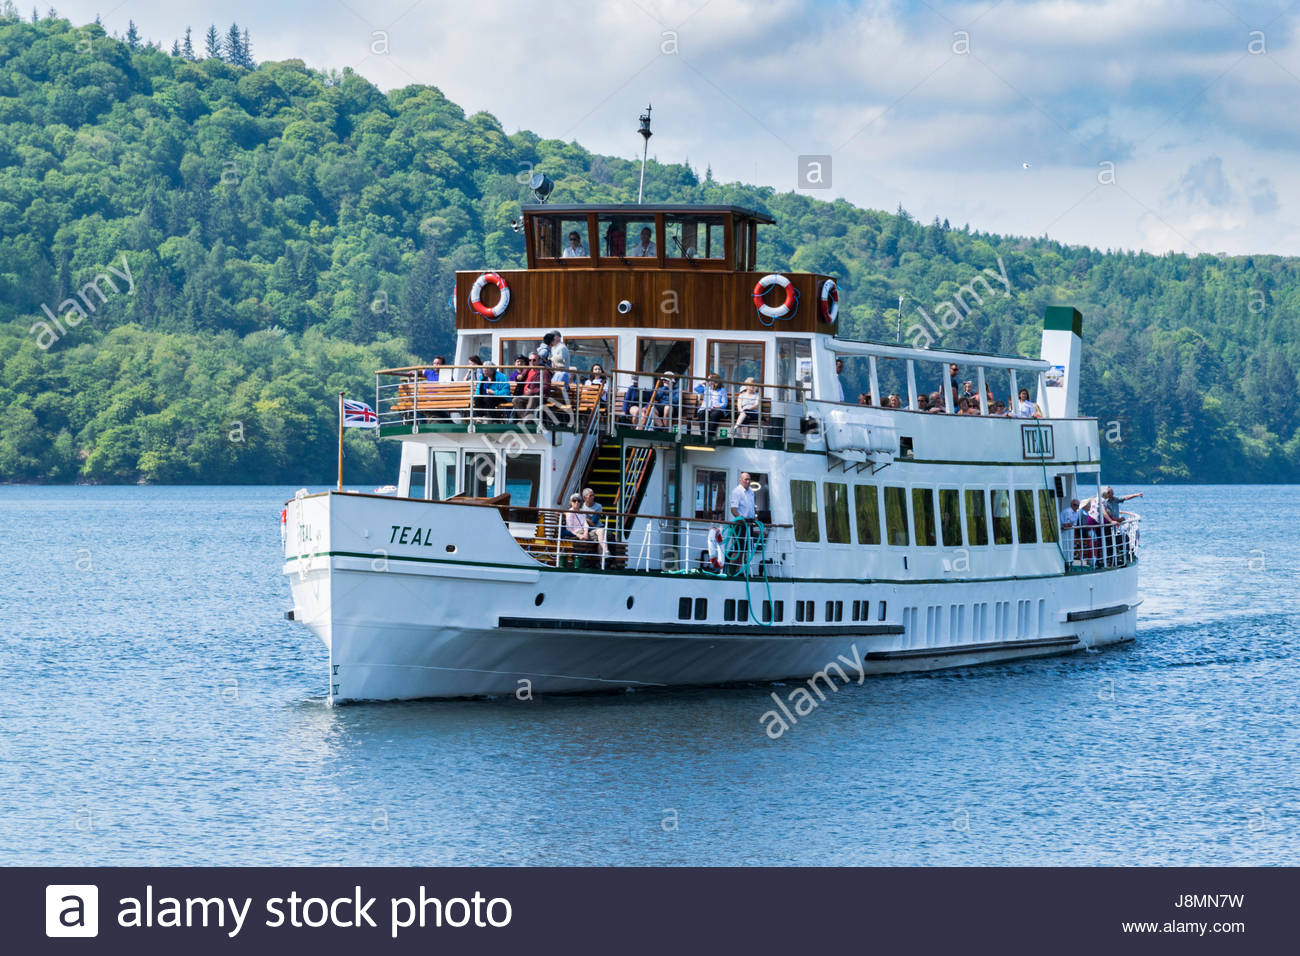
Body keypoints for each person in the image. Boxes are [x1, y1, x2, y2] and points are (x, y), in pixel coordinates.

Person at [695, 372, 729, 441]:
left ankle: (710, 436)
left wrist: (717, 407)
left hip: (717, 409)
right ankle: (703, 435)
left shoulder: (722, 390)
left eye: (709, 380)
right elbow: (696, 388)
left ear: (715, 381)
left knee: (714, 414)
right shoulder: (707, 388)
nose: (708, 381)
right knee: (701, 413)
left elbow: (724, 403)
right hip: (706, 408)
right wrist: (703, 383)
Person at [580, 487, 610, 558]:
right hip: (586, 529)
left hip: (597, 527)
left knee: (603, 534)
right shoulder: (581, 506)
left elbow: (593, 523)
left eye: (593, 495)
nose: (593, 497)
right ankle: (605, 554)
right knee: (602, 537)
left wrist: (584, 517)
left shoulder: (598, 506)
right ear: (584, 497)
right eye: (590, 496)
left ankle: (605, 556)